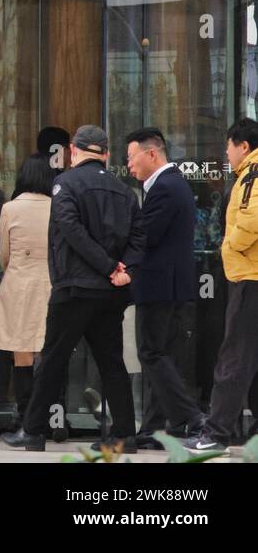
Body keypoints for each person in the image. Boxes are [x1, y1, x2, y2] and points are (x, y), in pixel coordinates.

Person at [2, 124, 143, 452]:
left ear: (74, 151)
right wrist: (124, 270)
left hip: (75, 289)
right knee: (111, 362)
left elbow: (71, 230)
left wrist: (107, 266)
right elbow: (139, 236)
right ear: (106, 154)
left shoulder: (65, 184)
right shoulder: (124, 191)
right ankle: (124, 433)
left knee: (53, 359)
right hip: (111, 292)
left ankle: (34, 431)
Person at [119, 128, 206, 448]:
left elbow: (146, 236)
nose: (129, 165)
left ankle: (193, 418)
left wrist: (121, 263)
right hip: (169, 285)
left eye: (131, 158)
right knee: (160, 355)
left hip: (160, 285)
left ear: (151, 154)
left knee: (151, 353)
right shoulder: (172, 185)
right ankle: (154, 429)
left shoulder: (166, 187)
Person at [185, 118, 258, 452]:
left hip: (250, 276)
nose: (226, 153)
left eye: (228, 146)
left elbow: (252, 219)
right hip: (249, 274)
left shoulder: (253, 174)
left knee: (234, 357)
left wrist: (228, 248)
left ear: (243, 145)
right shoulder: (248, 174)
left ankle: (216, 434)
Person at [0, 154, 53, 430]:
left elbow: (4, 254)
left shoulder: (10, 208)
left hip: (18, 283)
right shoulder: (59, 206)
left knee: (22, 354)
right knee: (50, 352)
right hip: (52, 284)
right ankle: (52, 414)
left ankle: (26, 416)